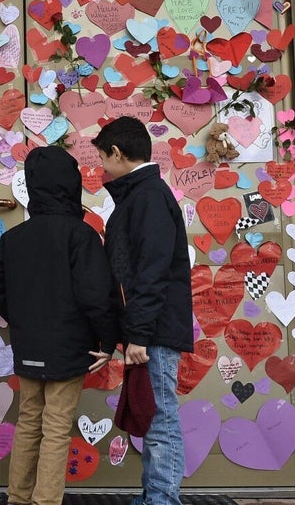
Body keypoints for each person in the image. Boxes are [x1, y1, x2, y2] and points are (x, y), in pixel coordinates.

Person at [0, 146, 120, 505]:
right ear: (71, 185)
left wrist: (20, 317)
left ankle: (18, 498)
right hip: (71, 347)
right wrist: (108, 340)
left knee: (29, 421)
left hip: (30, 344)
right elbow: (95, 295)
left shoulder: (15, 237)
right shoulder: (81, 235)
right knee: (56, 427)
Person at [91, 117, 193, 505]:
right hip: (149, 328)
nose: (102, 168)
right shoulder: (142, 194)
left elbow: (152, 272)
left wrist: (138, 335)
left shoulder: (148, 196)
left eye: (103, 159)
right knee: (154, 416)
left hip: (153, 331)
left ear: (117, 153)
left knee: (161, 418)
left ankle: (162, 500)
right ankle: (155, 496)